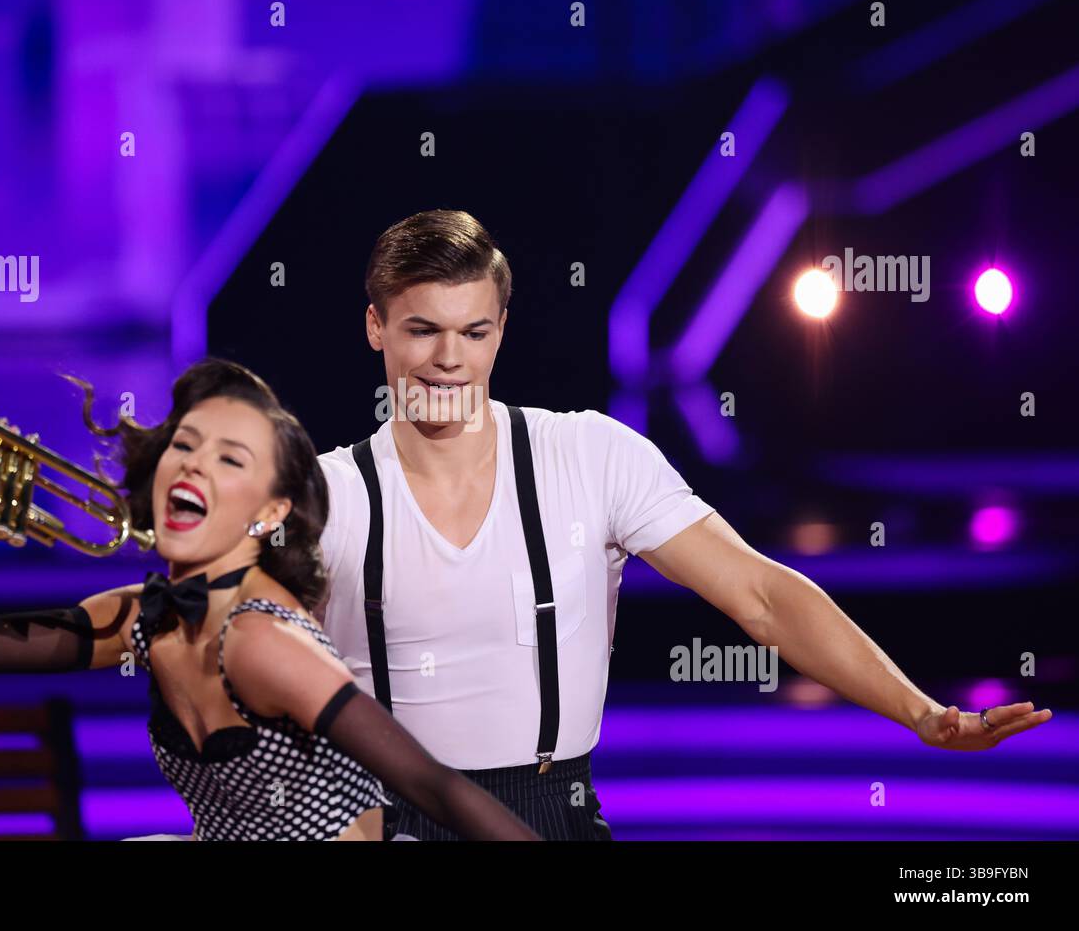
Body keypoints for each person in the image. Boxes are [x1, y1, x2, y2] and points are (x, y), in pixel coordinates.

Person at [313, 209, 1054, 841]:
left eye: (473, 331)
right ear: (375, 326)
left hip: (553, 812)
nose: (449, 359)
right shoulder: (322, 493)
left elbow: (762, 594)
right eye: (423, 330)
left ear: (502, 329)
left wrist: (923, 714)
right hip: (381, 818)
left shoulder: (590, 453)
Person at [0, 357, 539, 841]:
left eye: (229, 460)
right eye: (183, 446)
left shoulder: (260, 639)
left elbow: (430, 785)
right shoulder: (143, 616)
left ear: (270, 513)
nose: (193, 468)